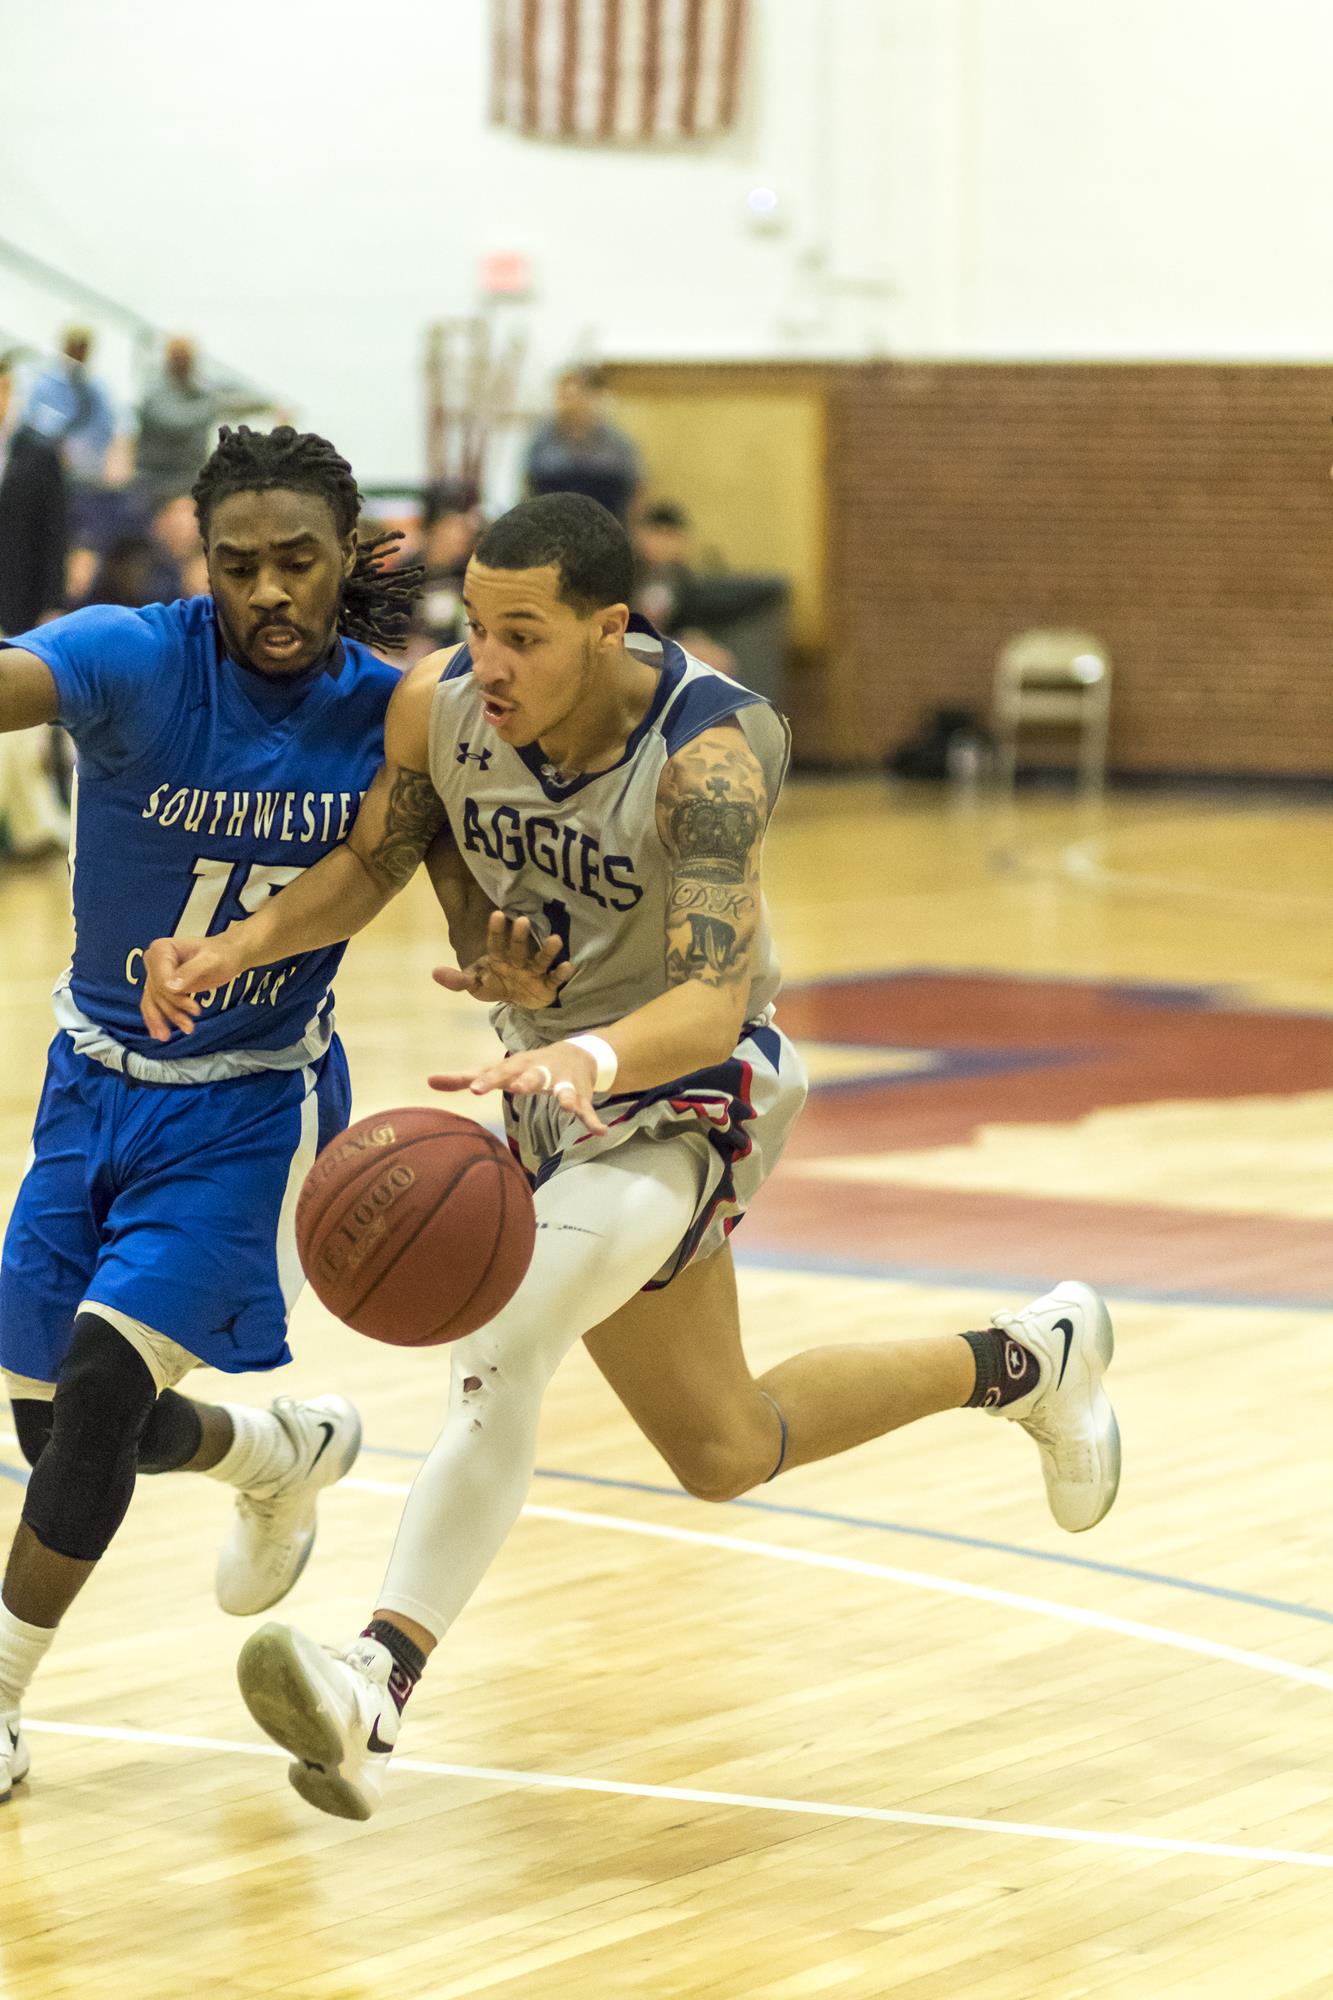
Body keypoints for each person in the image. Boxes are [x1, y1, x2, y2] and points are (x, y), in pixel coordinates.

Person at [146, 492, 1121, 1824]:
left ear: (609, 630)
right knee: (724, 1446)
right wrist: (240, 943)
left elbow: (713, 1003)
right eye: (474, 627)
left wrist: (590, 1058)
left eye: (525, 637)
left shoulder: (713, 752)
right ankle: (1033, 1360)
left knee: (506, 1333)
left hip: (693, 1083)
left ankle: (375, 1679)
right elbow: (377, 860)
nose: (487, 663)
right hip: (544, 1084)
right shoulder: (442, 709)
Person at [0, 423, 434, 1807]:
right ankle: (276, 1452)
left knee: (98, 1402)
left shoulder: (391, 709)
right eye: (237, 565)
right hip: (87, 1085)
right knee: (48, 1427)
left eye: (296, 562)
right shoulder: (136, 656)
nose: (267, 593)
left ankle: (2, 1707)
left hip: (249, 1107)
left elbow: (394, 866)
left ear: (349, 557)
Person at [0, 350, 71, 856]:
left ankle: (30, 829)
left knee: (17, 732)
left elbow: (55, 534)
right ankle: (28, 828)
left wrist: (52, 603)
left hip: (19, 607)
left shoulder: (38, 452)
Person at [523, 366, 642, 523]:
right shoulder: (542, 440)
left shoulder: (616, 444)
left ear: (591, 397)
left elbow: (636, 489)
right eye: (562, 397)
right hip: (551, 528)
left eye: (574, 396)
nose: (568, 404)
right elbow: (528, 487)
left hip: (605, 528)